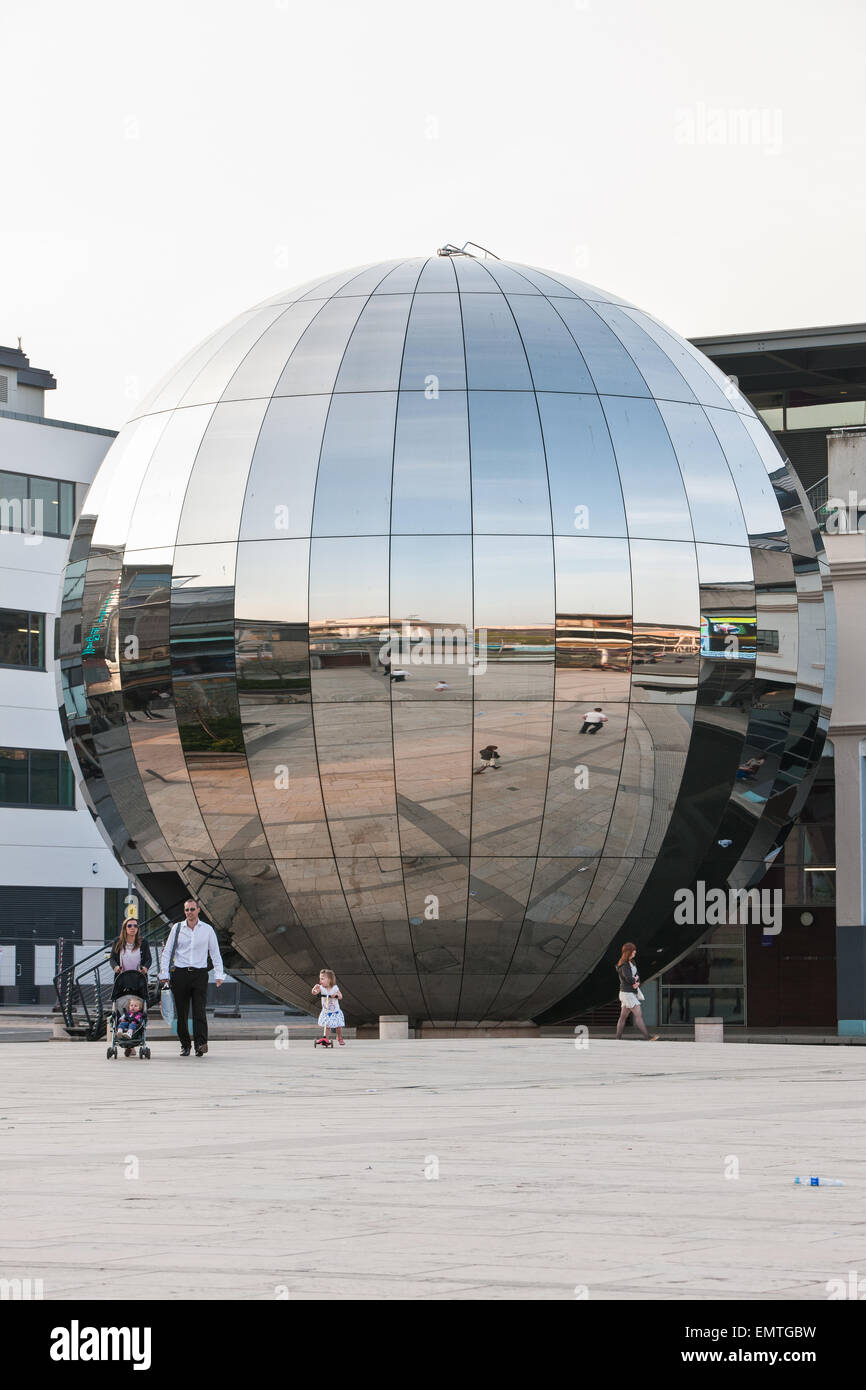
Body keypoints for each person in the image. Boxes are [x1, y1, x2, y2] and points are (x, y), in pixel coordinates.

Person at [159, 899, 225, 1057]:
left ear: (198, 910)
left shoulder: (207, 930)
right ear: (184, 911)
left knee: (199, 1011)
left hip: (199, 974)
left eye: (192, 909)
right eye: (187, 910)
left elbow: (215, 953)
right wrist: (165, 974)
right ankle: (185, 1045)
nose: (189, 912)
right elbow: (167, 952)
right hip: (180, 973)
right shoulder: (177, 928)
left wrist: (219, 974)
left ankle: (201, 1044)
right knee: (181, 1013)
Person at [615, 943, 659, 1041]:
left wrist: (637, 982)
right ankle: (648, 1037)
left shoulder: (632, 962)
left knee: (622, 1017)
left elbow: (636, 975)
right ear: (629, 951)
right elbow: (628, 978)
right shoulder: (623, 965)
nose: (635, 951)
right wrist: (634, 981)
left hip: (630, 992)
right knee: (638, 1014)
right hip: (627, 993)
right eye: (634, 950)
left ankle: (618, 1038)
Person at [312, 968, 345, 1045]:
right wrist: (314, 989)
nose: (320, 980)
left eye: (322, 979)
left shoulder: (335, 988)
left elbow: (340, 996)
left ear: (329, 979)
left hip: (335, 1011)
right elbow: (314, 993)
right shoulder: (321, 987)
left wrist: (336, 995)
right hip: (326, 1011)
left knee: (338, 1026)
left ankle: (339, 1037)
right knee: (327, 1026)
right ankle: (325, 1039)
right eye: (320, 978)